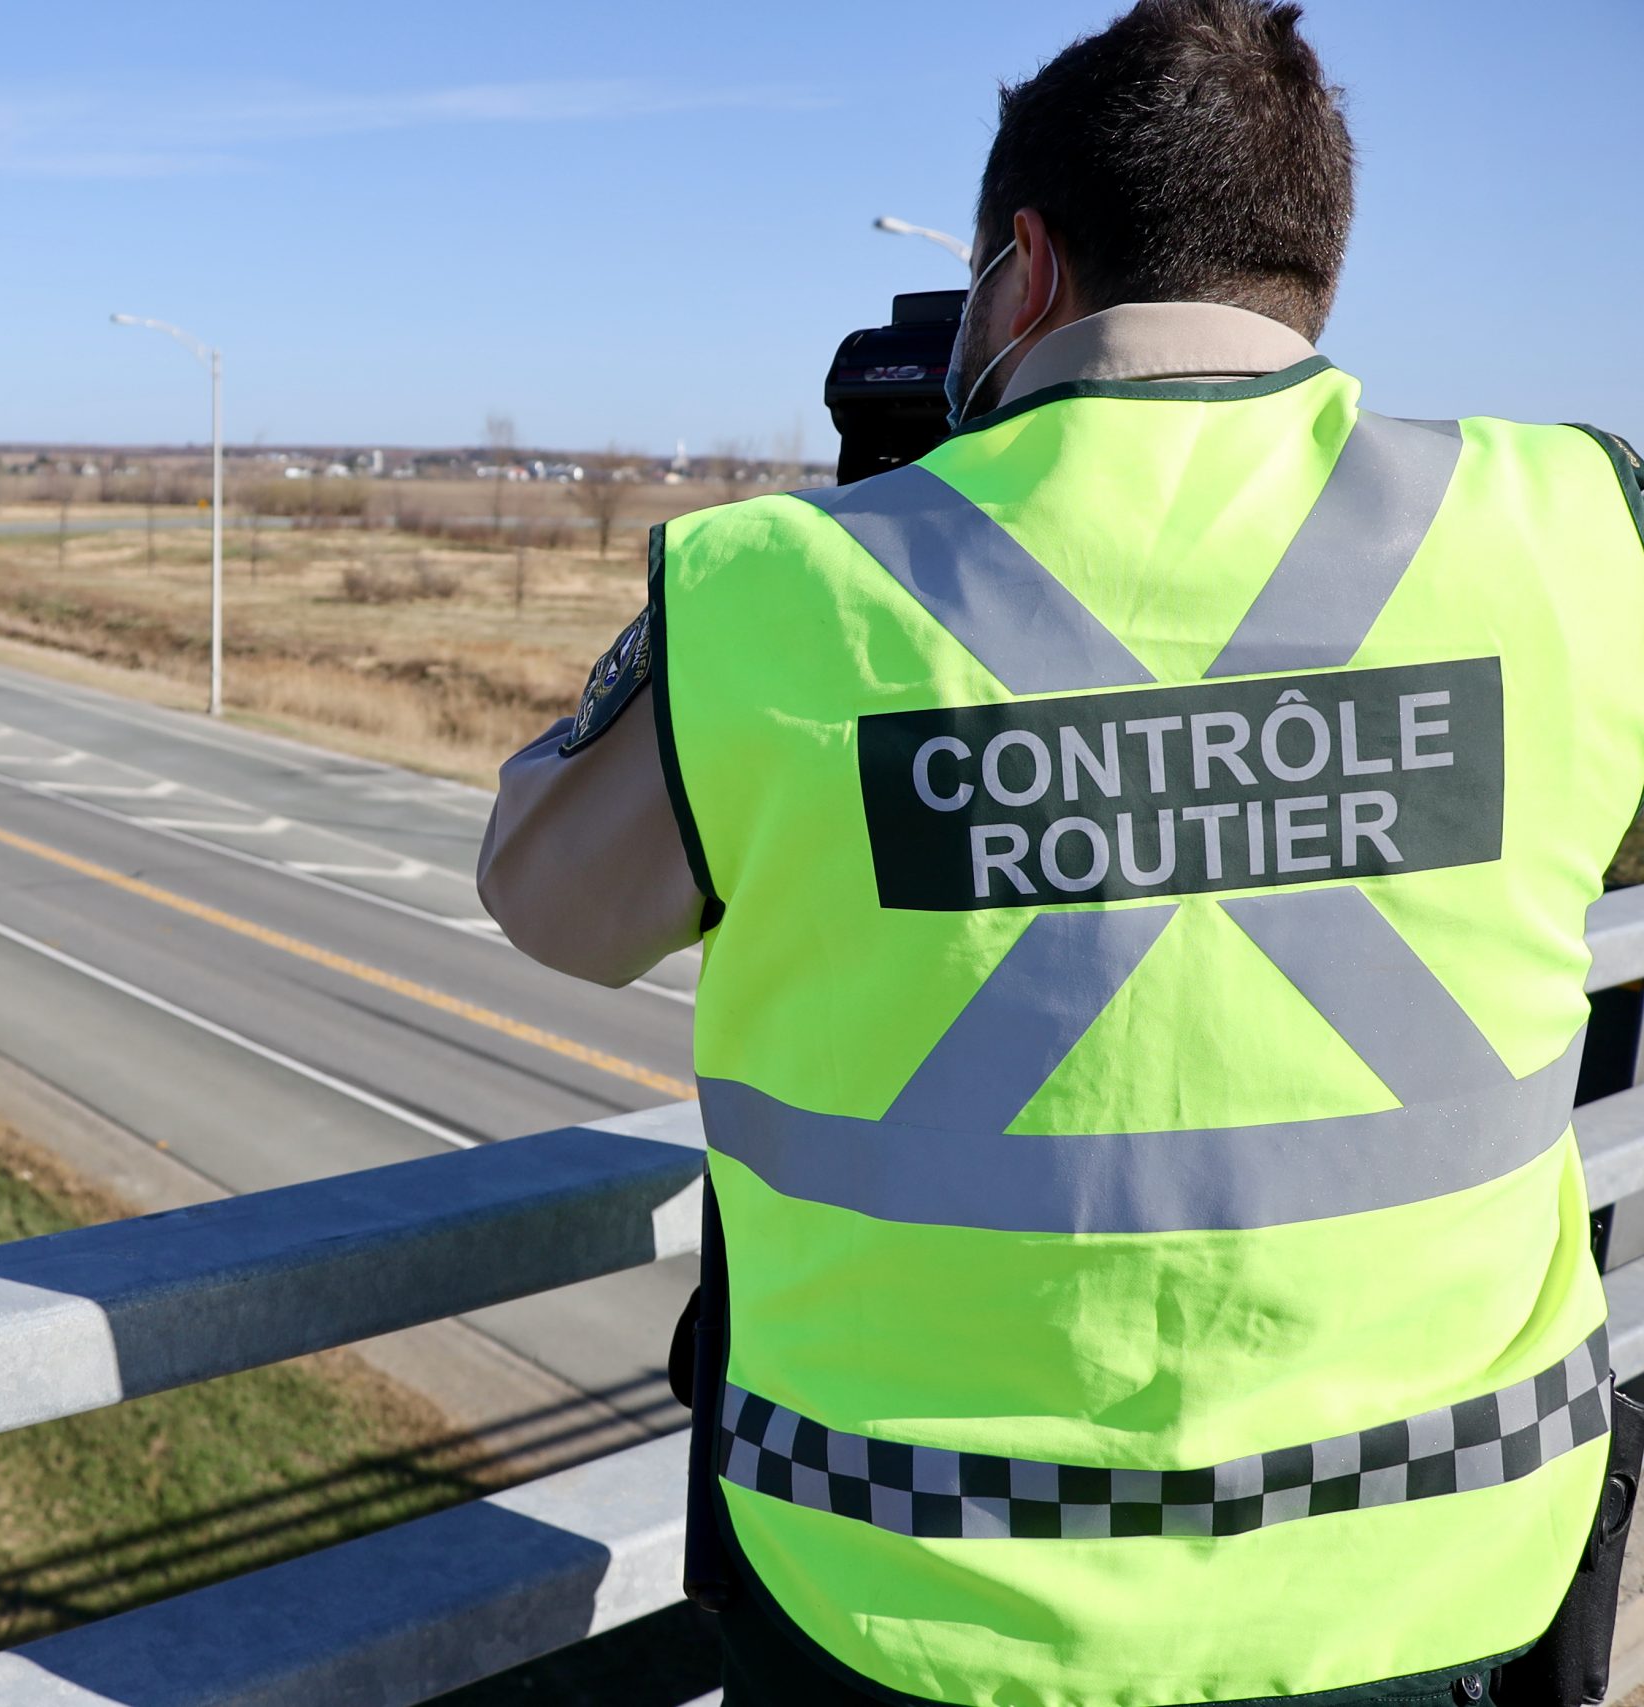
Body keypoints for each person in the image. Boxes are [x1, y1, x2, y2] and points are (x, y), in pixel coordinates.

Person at [478, 3, 1644, 1702]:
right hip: (1435, 1585)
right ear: (1306, 268)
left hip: (911, 1609)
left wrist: (866, 528)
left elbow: (550, 901)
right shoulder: (1570, 535)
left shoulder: (797, 589)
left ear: (1019, 271)